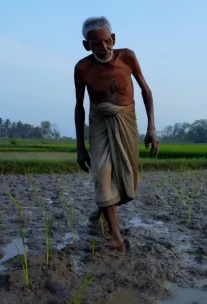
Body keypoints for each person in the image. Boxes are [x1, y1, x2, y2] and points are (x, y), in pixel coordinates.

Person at [73, 16, 159, 252]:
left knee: (129, 183)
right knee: (102, 174)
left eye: (106, 41)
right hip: (99, 119)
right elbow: (79, 106)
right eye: (96, 44)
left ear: (113, 38)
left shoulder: (128, 57)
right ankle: (116, 239)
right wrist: (80, 147)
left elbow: (145, 90)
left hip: (126, 118)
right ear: (86, 45)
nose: (103, 48)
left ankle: (102, 208)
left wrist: (152, 128)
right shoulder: (82, 68)